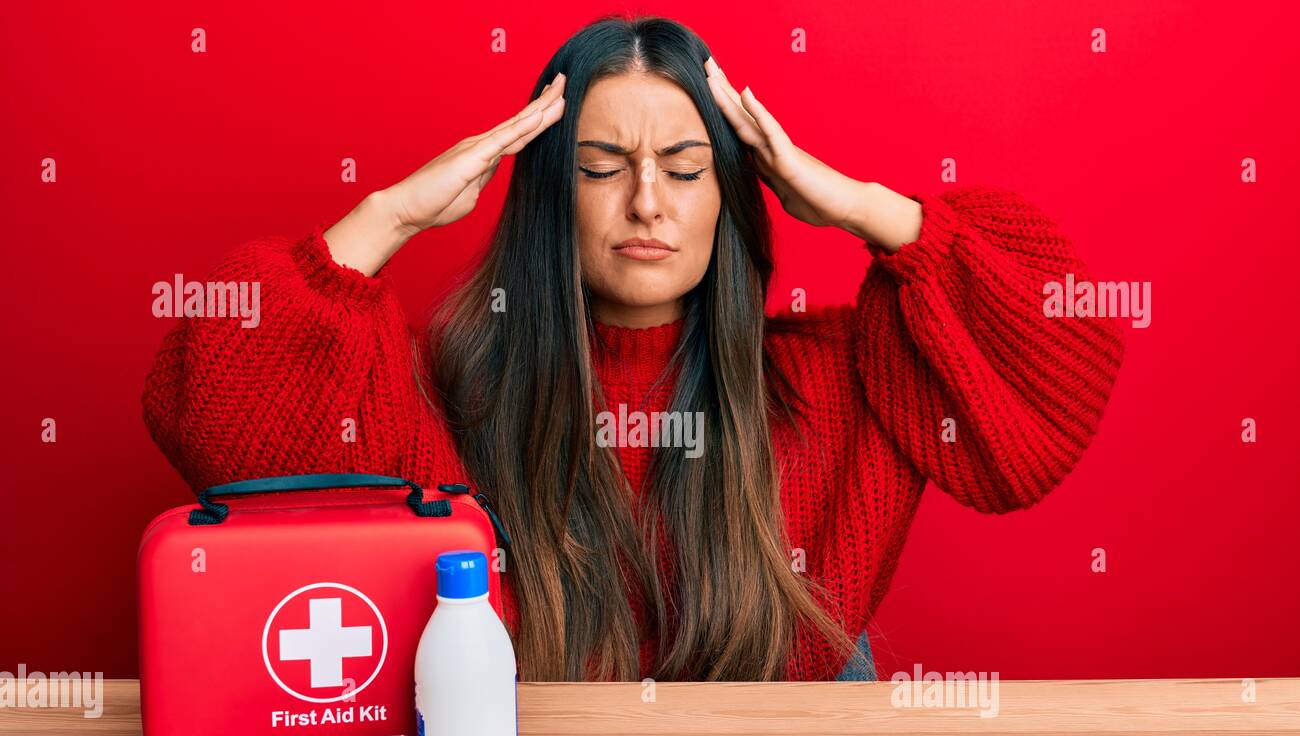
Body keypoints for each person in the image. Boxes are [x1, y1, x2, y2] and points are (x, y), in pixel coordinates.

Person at [142, 15, 1126, 683]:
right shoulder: (437, 387)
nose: (646, 203)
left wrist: (861, 205)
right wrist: (389, 213)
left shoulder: (843, 378)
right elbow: (214, 414)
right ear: (546, 195)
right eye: (602, 168)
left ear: (731, 195)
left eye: (687, 169)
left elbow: (1060, 351)